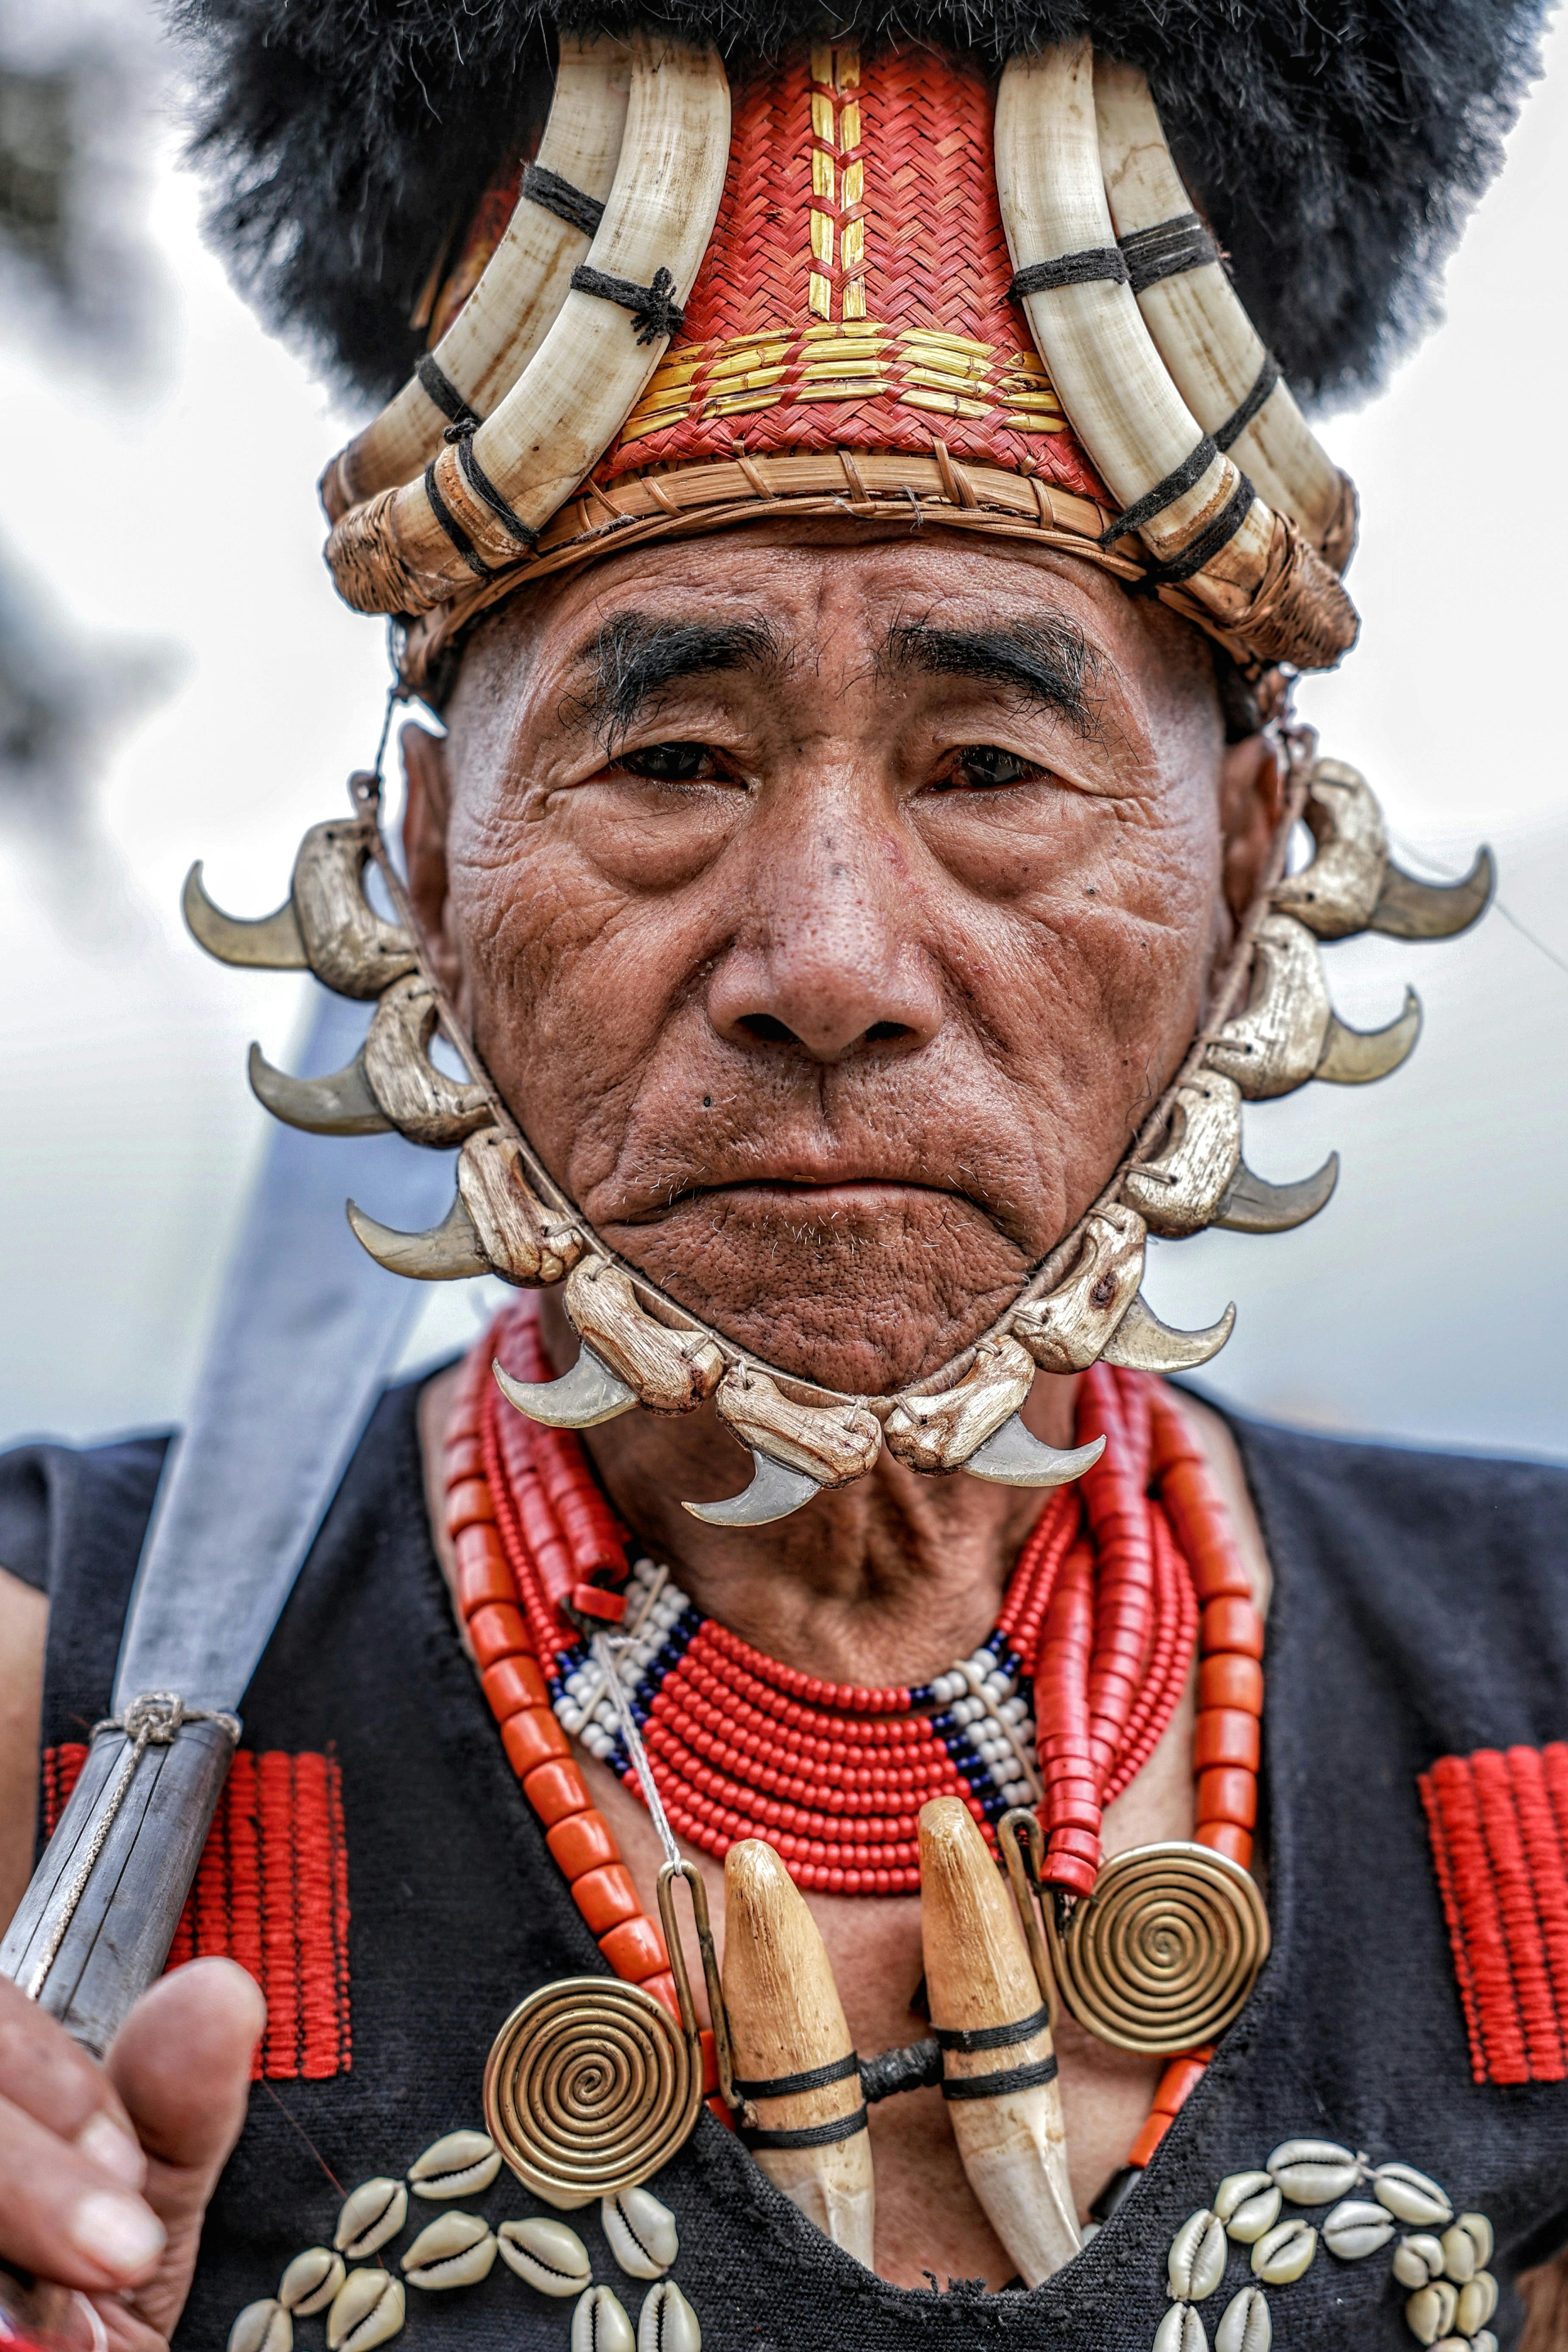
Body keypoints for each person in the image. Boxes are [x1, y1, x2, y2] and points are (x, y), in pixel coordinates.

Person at [0, 8, 1564, 2350]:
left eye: (996, 763)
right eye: (670, 754)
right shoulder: (46, 1713)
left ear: (1251, 862)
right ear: (426, 859)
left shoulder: (1537, 1728)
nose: (825, 959)